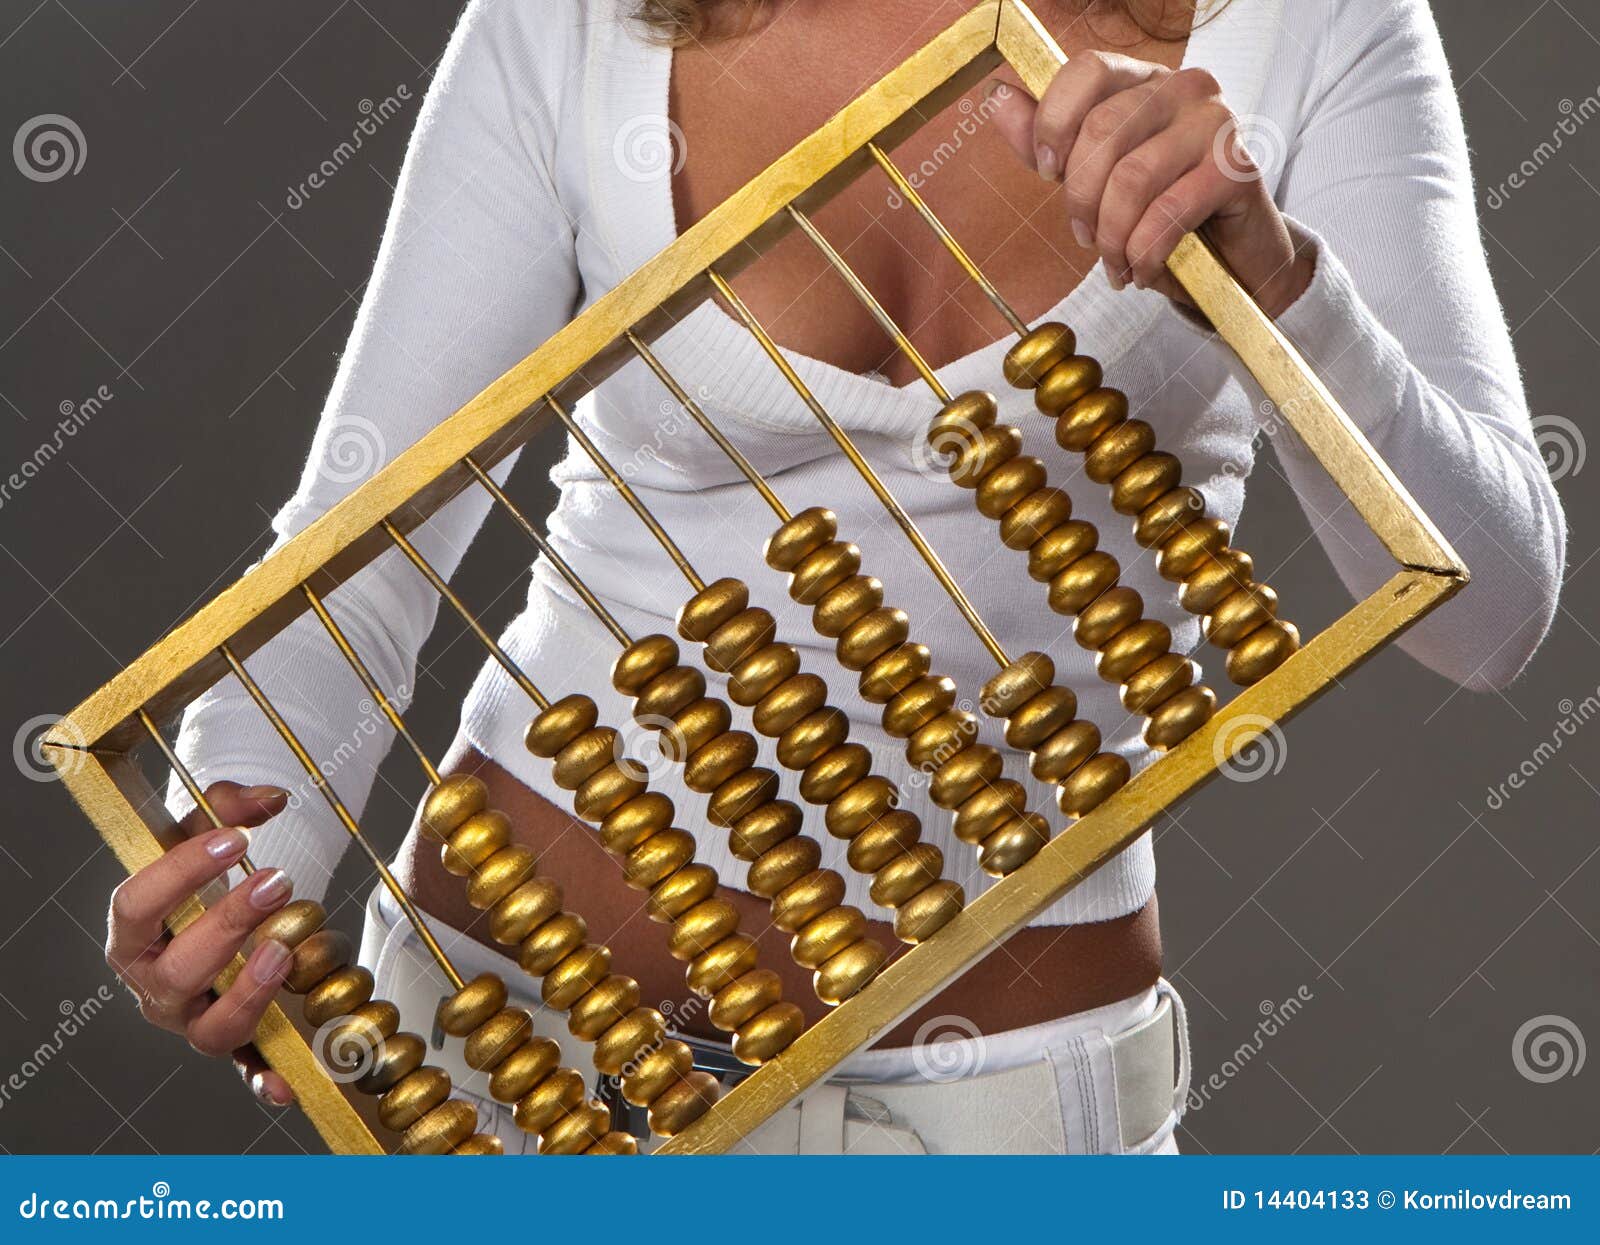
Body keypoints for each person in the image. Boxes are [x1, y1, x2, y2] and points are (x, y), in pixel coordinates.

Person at [102, 0, 1564, 1153]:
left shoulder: (1313, 26)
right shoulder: (578, 22)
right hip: (516, 1055)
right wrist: (238, 893)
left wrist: (1286, 282)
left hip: (995, 1116)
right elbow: (355, 563)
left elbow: (1492, 611)